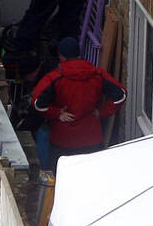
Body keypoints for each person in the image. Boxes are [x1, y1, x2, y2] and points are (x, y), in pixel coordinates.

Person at [32, 37, 127, 173]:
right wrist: (101, 112)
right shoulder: (97, 74)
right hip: (91, 139)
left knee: (61, 181)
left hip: (62, 141)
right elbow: (121, 95)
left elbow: (38, 103)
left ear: (61, 56)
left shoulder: (54, 78)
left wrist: (58, 113)